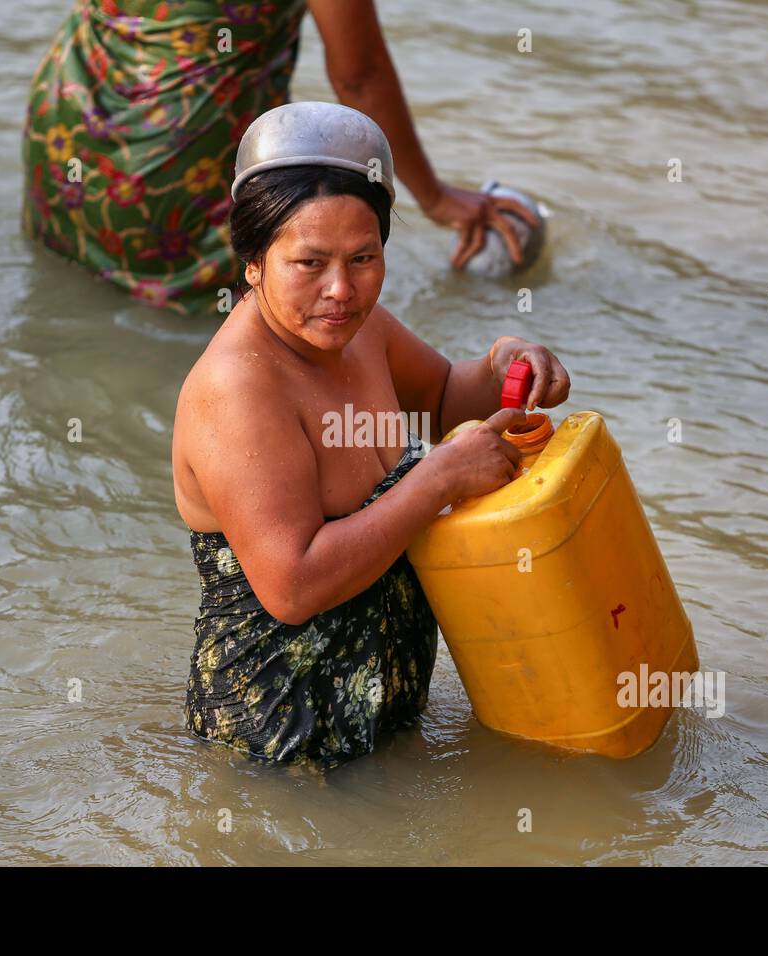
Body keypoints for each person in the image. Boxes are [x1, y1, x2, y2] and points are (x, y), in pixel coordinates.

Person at [173, 103, 570, 765]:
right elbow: (292, 586)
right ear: (252, 260)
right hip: (274, 743)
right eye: (309, 263)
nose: (341, 290)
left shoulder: (362, 331)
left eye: (363, 257)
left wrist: (510, 364)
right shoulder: (238, 391)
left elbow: (443, 396)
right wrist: (437, 477)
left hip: (383, 712)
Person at [22, 0, 541, 313]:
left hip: (69, 128)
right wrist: (436, 199)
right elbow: (358, 77)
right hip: (178, 165)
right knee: (247, 340)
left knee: (70, 304)